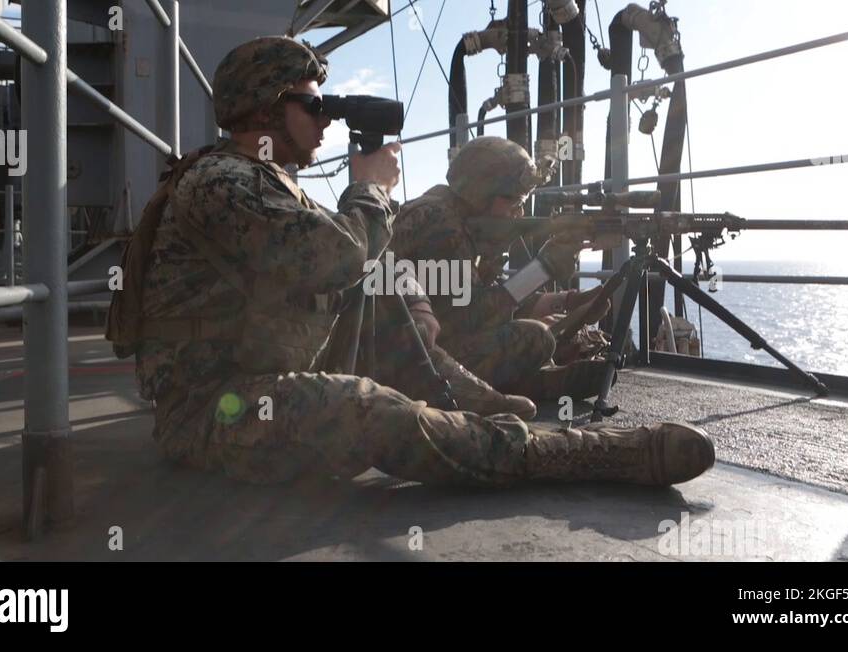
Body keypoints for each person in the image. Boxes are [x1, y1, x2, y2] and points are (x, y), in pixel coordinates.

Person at [105, 35, 714, 488]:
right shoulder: (220, 181)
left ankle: (468, 403)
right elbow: (338, 254)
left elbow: (361, 269)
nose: (326, 120)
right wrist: (370, 188)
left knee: (384, 289)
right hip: (213, 408)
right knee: (361, 409)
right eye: (314, 107)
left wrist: (407, 281)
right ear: (267, 108)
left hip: (257, 372)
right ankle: (570, 455)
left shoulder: (262, 181)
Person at [390, 136, 614, 402]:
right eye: (515, 202)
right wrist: (543, 268)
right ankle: (531, 386)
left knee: (539, 334)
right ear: (483, 193)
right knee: (536, 338)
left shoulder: (444, 212)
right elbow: (470, 317)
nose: (518, 214)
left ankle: (529, 384)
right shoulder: (443, 226)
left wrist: (566, 301)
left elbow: (477, 301)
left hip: (410, 348)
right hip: (408, 365)